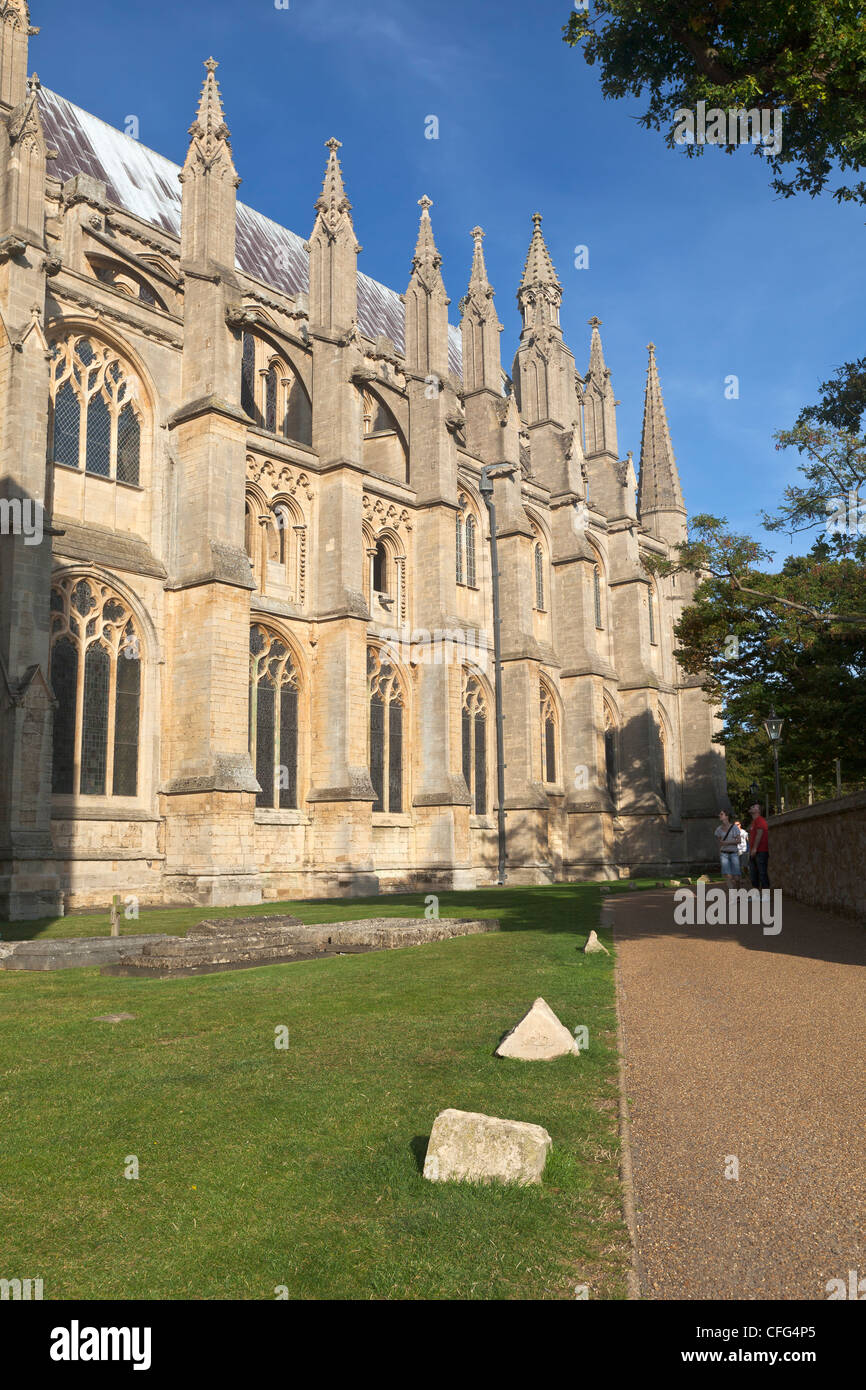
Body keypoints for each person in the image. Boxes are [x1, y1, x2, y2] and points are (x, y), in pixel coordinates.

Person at [714, 808, 743, 889]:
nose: (719, 816)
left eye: (721, 814)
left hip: (734, 853)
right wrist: (719, 853)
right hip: (724, 854)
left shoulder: (734, 828)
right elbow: (720, 843)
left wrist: (727, 843)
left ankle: (738, 891)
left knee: (737, 877)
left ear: (726, 817)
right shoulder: (718, 829)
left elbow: (739, 840)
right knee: (728, 876)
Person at [747, 802, 771, 888]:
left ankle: (766, 895)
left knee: (762, 873)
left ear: (758, 810)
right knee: (754, 875)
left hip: (760, 851)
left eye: (754, 806)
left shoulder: (760, 820)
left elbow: (759, 834)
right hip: (754, 852)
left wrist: (754, 849)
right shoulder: (754, 822)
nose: (751, 807)